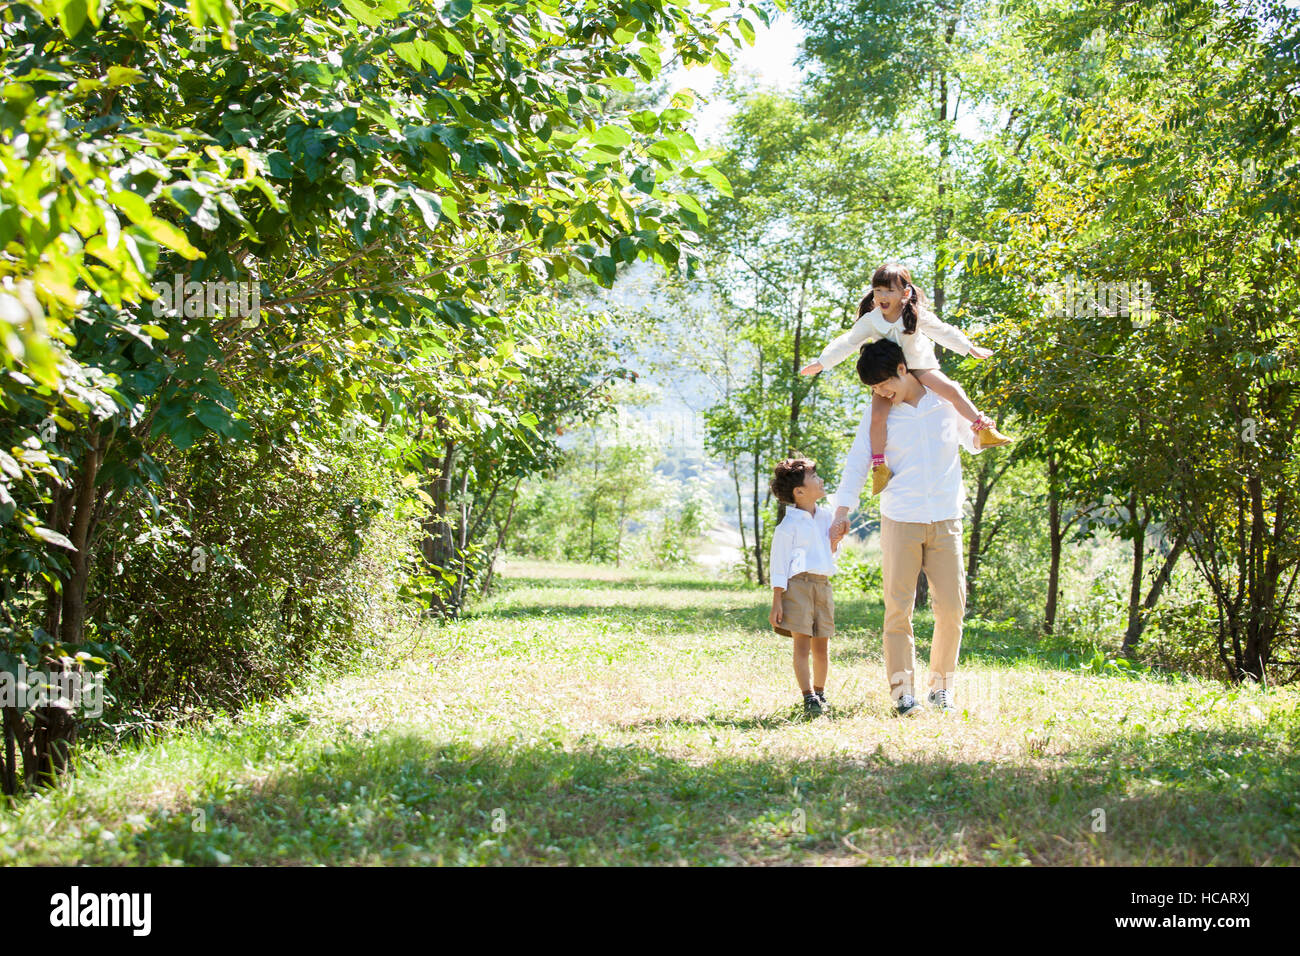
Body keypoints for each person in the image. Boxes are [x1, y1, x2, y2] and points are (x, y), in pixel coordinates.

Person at [828, 339, 986, 717]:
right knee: (898, 610)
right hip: (901, 519)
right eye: (874, 389)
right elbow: (857, 463)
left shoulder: (944, 400)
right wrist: (841, 512)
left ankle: (941, 690)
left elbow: (974, 442)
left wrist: (984, 429)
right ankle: (903, 694)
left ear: (903, 369)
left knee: (952, 609)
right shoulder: (879, 416)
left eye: (885, 385)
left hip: (946, 518)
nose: (882, 393)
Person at [801, 262, 1009, 495]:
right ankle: (880, 467)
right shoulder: (871, 320)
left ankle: (982, 428)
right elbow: (849, 341)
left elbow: (942, 331)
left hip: (919, 366)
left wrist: (969, 348)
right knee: (877, 417)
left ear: (905, 293)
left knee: (951, 390)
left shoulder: (915, 314)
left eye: (889, 290)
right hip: (887, 375)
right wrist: (823, 362)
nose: (882, 296)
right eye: (878, 290)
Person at [767, 457, 838, 717]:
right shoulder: (789, 525)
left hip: (822, 585)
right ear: (799, 491)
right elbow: (779, 564)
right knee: (802, 645)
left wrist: (836, 541)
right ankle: (808, 696)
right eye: (814, 477)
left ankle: (820, 692)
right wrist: (777, 600)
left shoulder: (827, 517)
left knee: (822, 645)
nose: (820, 480)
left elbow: (831, 553)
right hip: (797, 586)